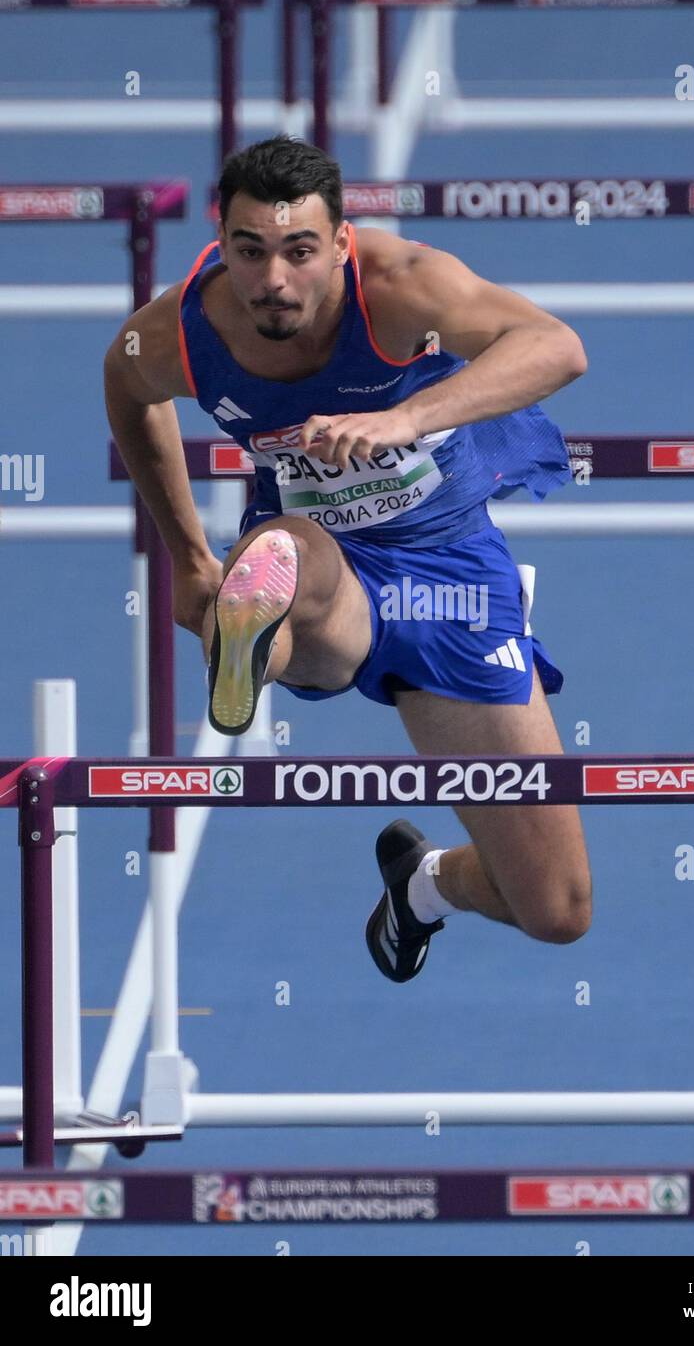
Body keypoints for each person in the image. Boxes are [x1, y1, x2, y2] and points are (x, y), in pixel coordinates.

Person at [104, 135, 592, 983]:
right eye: (250, 253)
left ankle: (424, 886)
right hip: (325, 577)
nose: (274, 280)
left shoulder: (403, 287)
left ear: (339, 243)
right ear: (220, 242)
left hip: (452, 580)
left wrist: (406, 418)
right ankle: (247, 643)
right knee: (288, 559)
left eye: (299, 252)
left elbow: (555, 346)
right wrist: (186, 555)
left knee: (554, 907)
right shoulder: (185, 330)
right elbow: (125, 381)